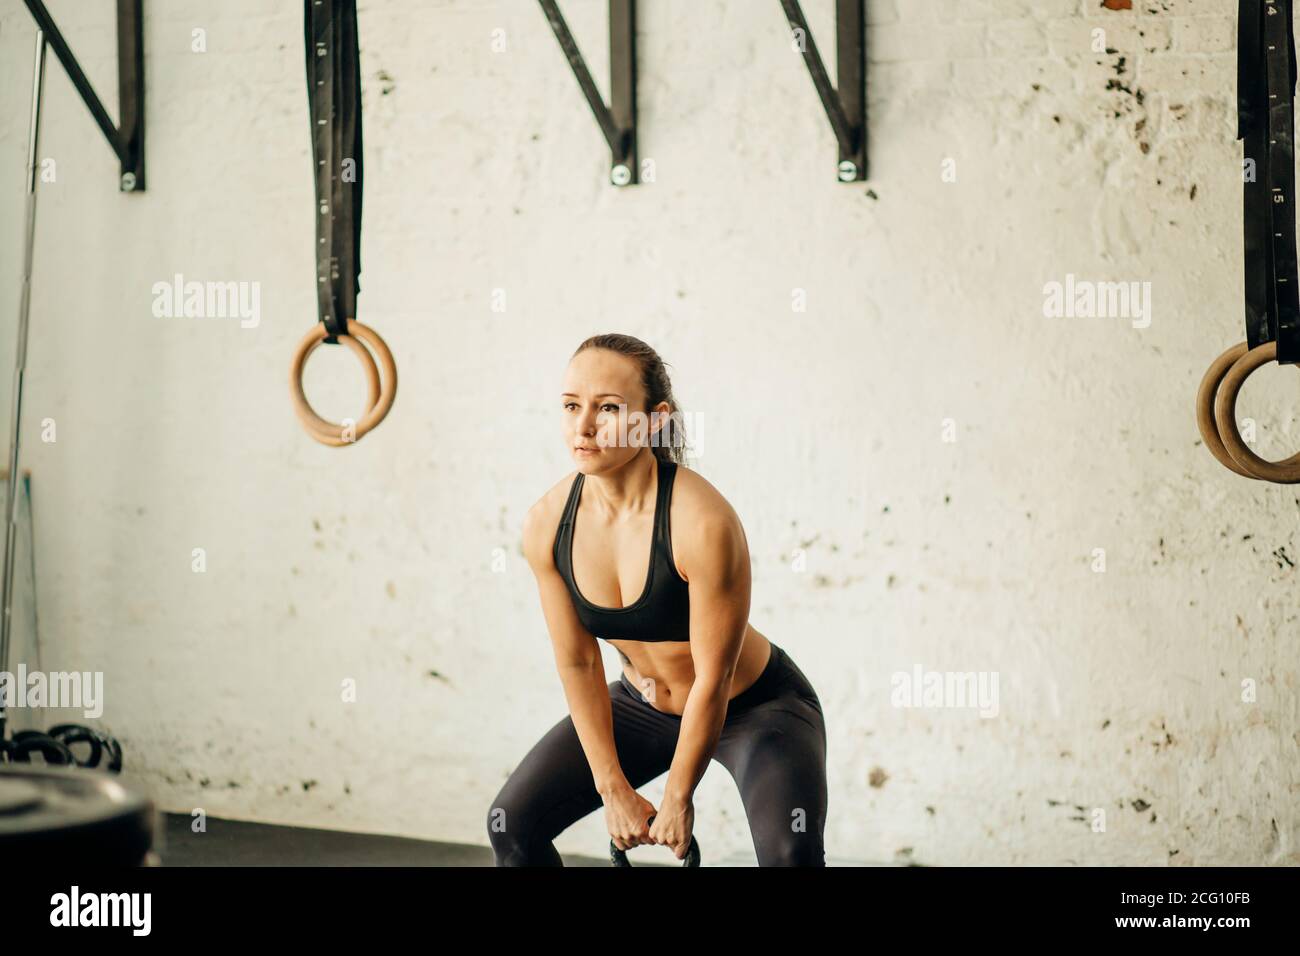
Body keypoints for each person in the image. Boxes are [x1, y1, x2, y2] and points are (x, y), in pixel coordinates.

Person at [487, 333, 828, 866]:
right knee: (512, 825)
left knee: (791, 851)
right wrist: (613, 789)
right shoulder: (547, 525)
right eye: (572, 406)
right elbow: (578, 662)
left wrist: (677, 796)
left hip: (754, 707)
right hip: (644, 705)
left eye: (608, 409)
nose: (584, 426)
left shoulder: (703, 523)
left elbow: (713, 678)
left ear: (654, 420)